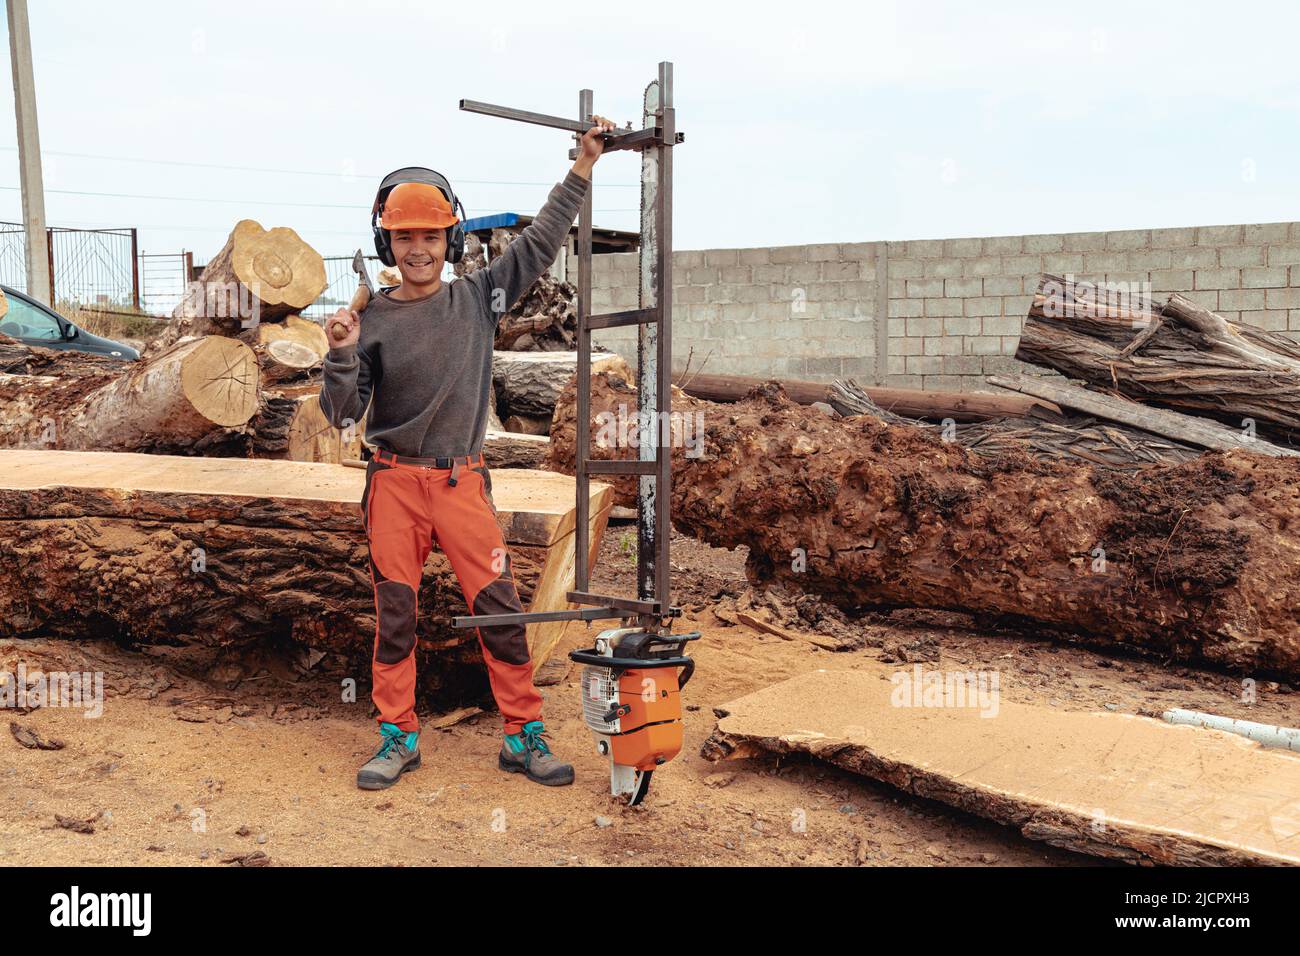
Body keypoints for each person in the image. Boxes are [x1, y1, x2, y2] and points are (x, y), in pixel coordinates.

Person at [321, 114, 617, 790]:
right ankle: (397, 737)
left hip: (462, 485)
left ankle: (523, 734)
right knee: (395, 617)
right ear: (385, 241)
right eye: (404, 237)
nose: (418, 249)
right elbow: (341, 413)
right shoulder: (370, 322)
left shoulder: (479, 298)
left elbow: (541, 243)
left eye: (430, 235)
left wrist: (583, 167)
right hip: (393, 485)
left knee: (501, 610)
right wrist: (339, 353)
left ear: (449, 238)